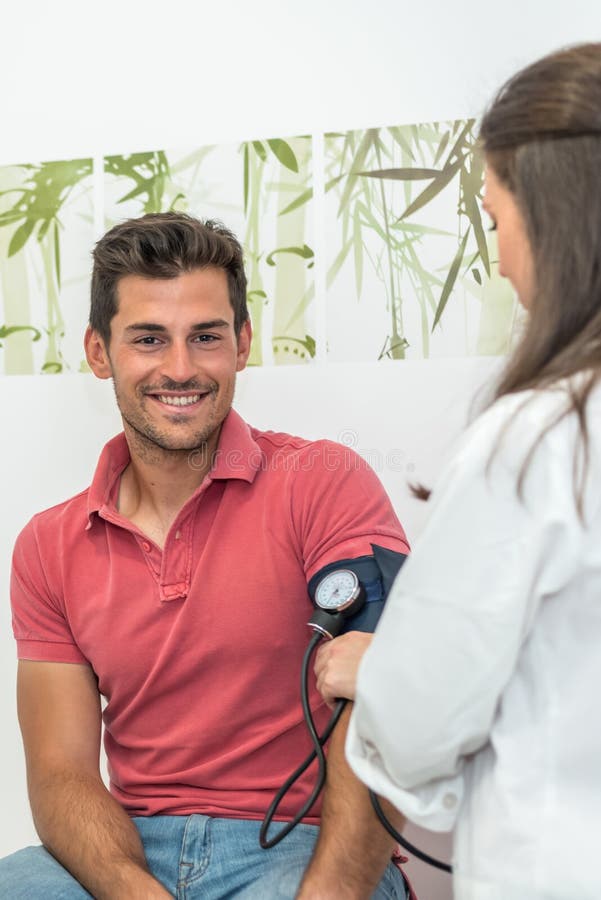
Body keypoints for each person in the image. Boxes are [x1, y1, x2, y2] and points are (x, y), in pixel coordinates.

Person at [3, 213, 412, 899]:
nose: (180, 369)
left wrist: (329, 892)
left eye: (205, 336)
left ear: (242, 343)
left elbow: (387, 700)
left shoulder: (324, 482)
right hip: (131, 849)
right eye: (148, 339)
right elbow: (61, 773)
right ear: (99, 352)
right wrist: (134, 891)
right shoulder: (46, 545)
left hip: (299, 845)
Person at [314, 42, 601, 900]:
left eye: (494, 216)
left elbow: (418, 725)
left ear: (551, 217)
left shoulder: (538, 440)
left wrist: (378, 673)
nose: (500, 258)